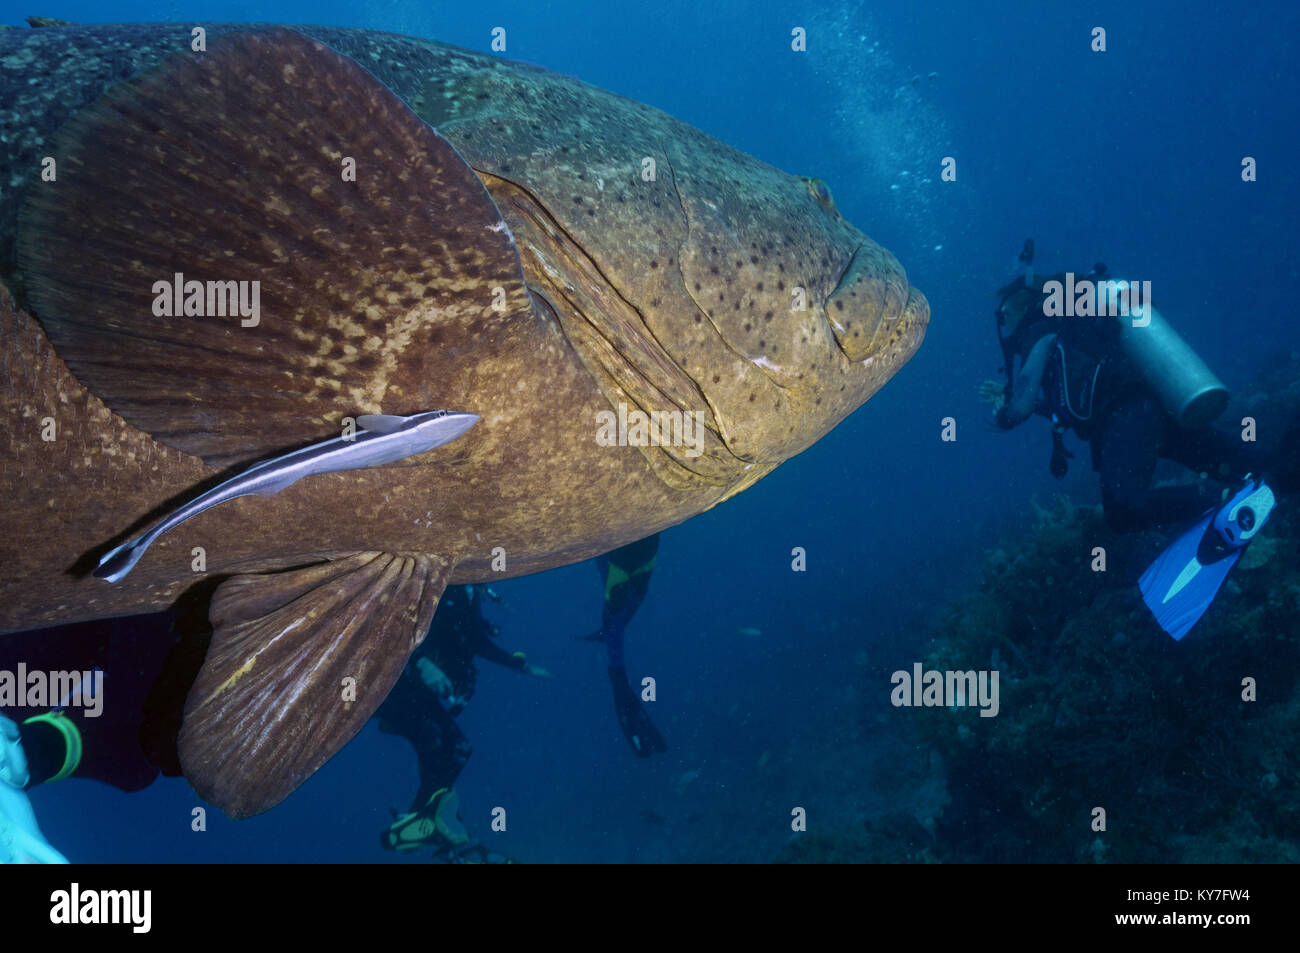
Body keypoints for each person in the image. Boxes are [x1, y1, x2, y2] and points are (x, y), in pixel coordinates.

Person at [982, 239, 1292, 637]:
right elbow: (1069, 402)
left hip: (1129, 416)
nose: (1004, 323)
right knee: (1245, 460)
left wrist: (1003, 415)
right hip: (1153, 407)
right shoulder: (1071, 321)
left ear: (1019, 303)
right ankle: (1269, 476)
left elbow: (1023, 400)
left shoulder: (1038, 325)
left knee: (1124, 506)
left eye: (1005, 311)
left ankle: (1228, 501)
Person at [377, 584, 546, 860]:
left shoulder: (468, 591)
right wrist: (420, 663)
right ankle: (428, 827)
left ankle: (429, 830)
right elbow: (387, 623)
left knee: (444, 751)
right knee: (449, 747)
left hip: (414, 693)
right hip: (398, 687)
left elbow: (477, 641)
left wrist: (520, 666)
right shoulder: (444, 584)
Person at [581, 534, 667, 757]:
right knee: (615, 632)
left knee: (615, 644)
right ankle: (634, 724)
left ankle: (634, 725)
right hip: (632, 567)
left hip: (626, 566)